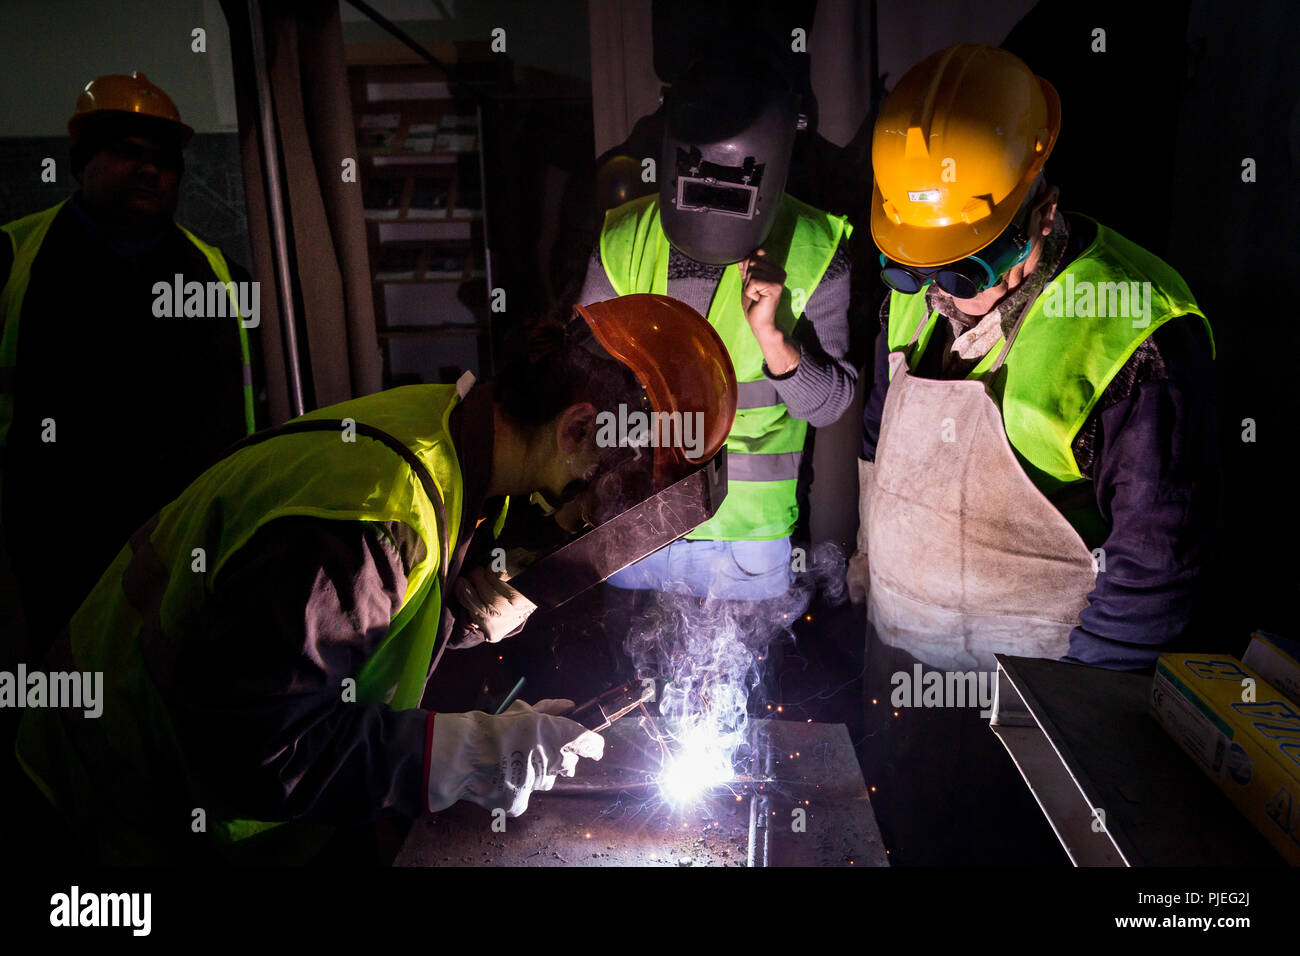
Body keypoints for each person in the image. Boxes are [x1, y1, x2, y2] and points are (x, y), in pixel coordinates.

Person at [16, 293, 737, 864]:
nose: (595, 517)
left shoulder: (453, 435)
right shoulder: (372, 514)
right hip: (102, 821)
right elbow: (264, 755)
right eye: (614, 490)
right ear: (580, 430)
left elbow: (357, 646)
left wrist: (482, 693)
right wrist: (471, 754)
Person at [850, 44, 1219, 864]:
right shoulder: (921, 300)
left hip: (1025, 742)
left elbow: (1151, 580)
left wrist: (1064, 746)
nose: (938, 294)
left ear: (1042, 213)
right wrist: (868, 575)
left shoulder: (1134, 333)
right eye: (912, 269)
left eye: (965, 266)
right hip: (900, 699)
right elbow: (882, 439)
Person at [578, 54, 855, 602]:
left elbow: (827, 406)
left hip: (745, 540)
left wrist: (773, 339)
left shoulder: (814, 248)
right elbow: (579, 381)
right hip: (634, 524)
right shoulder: (623, 238)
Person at [0, 72, 257, 658]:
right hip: (51, 545)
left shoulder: (217, 275)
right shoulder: (16, 259)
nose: (150, 170)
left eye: (164, 160)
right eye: (128, 153)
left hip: (188, 535)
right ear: (81, 162)